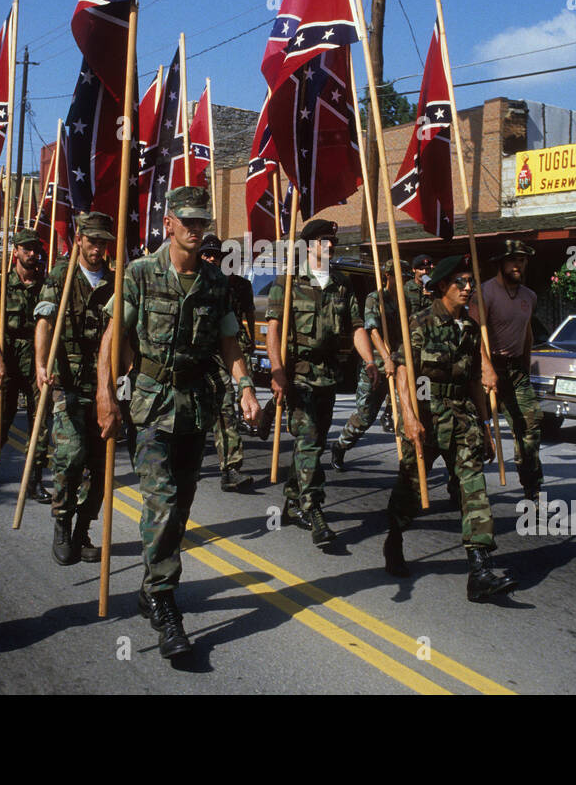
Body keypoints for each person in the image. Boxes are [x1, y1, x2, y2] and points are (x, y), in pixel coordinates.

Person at [97, 186, 260, 659]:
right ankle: (166, 602)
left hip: (195, 407)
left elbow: (229, 343)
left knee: (181, 504)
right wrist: (106, 396)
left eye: (201, 222)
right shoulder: (140, 274)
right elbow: (114, 336)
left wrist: (245, 386)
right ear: (167, 223)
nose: (194, 229)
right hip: (150, 404)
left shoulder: (216, 283)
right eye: (186, 221)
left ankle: (151, 585)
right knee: (162, 502)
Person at [386, 255, 517, 601]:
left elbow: (474, 378)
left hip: (462, 416)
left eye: (470, 282)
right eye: (461, 282)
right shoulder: (421, 322)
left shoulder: (471, 329)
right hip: (427, 415)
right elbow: (403, 373)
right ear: (443, 286)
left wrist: (486, 426)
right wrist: (409, 417)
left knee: (473, 487)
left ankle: (479, 569)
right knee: (411, 490)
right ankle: (394, 539)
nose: (468, 287)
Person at [266, 218, 375, 547]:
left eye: (332, 242)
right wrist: (277, 371)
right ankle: (314, 510)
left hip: (328, 375)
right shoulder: (288, 282)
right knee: (311, 442)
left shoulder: (341, 284)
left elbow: (356, 326)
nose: (329, 246)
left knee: (310, 442)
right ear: (308, 245)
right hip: (299, 375)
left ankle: (292, 499)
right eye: (323, 241)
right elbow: (273, 331)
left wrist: (369, 360)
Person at [35, 212, 116, 565]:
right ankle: (62, 522)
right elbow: (44, 321)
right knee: (71, 457)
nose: (98, 248)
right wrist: (41, 364)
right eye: (92, 240)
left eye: (103, 242)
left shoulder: (115, 282)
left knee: (101, 466)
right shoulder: (61, 277)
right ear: (79, 239)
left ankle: (84, 528)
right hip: (66, 383)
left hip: (103, 386)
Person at [0, 228, 51, 503]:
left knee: (40, 417)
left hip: (36, 355)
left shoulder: (45, 285)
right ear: (16, 252)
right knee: (0, 418)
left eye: (36, 249)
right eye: (27, 249)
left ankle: (34, 479)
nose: (33, 254)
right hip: (7, 353)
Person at [480, 239, 544, 501]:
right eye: (512, 260)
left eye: (522, 260)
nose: (518, 265)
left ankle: (532, 488)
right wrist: (486, 369)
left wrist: (525, 368)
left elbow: (527, 335)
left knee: (531, 424)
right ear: (500, 263)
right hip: (486, 370)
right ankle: (459, 484)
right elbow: (474, 337)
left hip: (516, 371)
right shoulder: (485, 293)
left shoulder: (530, 296)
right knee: (472, 434)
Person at [330, 259, 400, 469]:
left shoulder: (405, 301)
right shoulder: (375, 298)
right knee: (365, 415)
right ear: (388, 276)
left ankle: (412, 467)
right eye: (398, 275)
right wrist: (386, 358)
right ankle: (341, 445)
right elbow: (372, 330)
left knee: (408, 413)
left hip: (400, 366)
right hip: (377, 366)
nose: (402, 280)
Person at [199, 233, 255, 492]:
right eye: (207, 254)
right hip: (189, 359)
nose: (211, 258)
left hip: (220, 355)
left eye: (216, 255)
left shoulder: (227, 286)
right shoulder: (188, 282)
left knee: (225, 408)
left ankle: (231, 469)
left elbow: (238, 324)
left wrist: (245, 383)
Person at [403, 254, 432, 319]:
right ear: (414, 270)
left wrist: (432, 297)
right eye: (421, 269)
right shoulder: (407, 289)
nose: (425, 272)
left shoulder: (434, 287)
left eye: (427, 269)